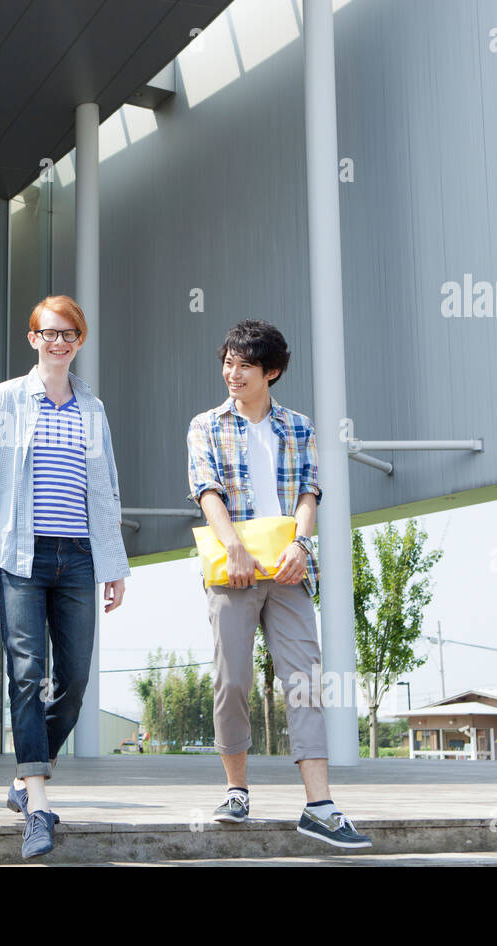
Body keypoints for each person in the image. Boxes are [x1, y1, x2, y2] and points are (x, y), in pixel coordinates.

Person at [186, 320, 372, 848]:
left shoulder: (299, 427)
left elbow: (310, 492)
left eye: (245, 365)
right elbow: (206, 490)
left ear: (271, 371)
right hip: (233, 568)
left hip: (289, 571)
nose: (233, 373)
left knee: (305, 682)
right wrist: (234, 547)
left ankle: (319, 805)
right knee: (233, 680)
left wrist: (301, 545)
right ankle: (236, 790)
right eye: (228, 362)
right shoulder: (206, 425)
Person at [0, 294, 130, 860]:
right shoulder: (5, 399)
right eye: (50, 333)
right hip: (19, 555)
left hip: (79, 557)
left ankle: (24, 773)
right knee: (27, 672)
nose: (60, 343)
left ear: (80, 342)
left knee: (75, 681)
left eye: (71, 335)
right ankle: (37, 801)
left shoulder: (93, 409)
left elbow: (106, 491)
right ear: (32, 338)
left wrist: (114, 563)